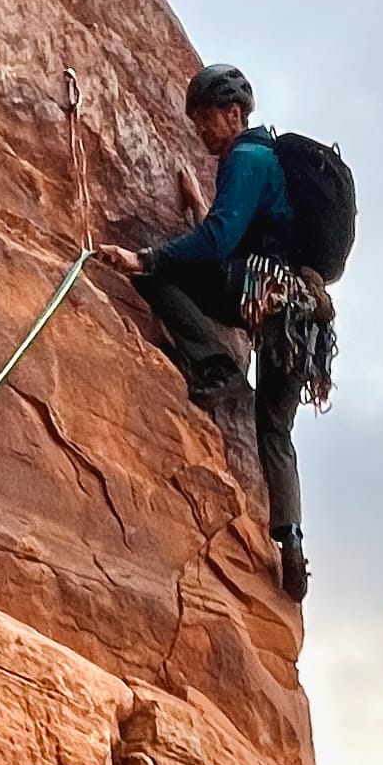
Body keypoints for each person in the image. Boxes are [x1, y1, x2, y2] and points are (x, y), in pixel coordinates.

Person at [103, 60, 328, 603]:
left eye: (206, 118)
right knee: (275, 432)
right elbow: (241, 234)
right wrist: (199, 209)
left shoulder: (245, 158)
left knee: (158, 276)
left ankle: (214, 366)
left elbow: (219, 242)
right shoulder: (267, 162)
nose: (200, 129)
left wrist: (146, 257)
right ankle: (291, 547)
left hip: (264, 299)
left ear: (234, 112)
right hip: (301, 321)